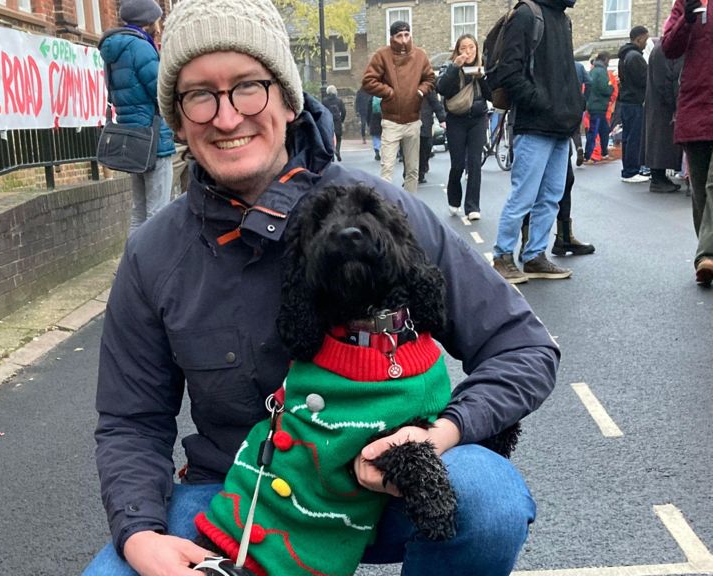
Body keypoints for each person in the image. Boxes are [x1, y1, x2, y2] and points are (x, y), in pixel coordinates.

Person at [85, 0, 559, 574]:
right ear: (178, 118)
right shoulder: (153, 252)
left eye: (248, 87)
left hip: (383, 493)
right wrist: (139, 537)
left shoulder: (382, 212)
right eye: (199, 95)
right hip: (234, 490)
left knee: (487, 500)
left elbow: (524, 347)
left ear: (287, 98)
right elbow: (131, 420)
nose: (227, 117)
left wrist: (442, 433)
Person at [489, 0, 583, 285]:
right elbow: (509, 72)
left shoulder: (563, 20)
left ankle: (534, 256)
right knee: (524, 196)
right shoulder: (527, 15)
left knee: (551, 197)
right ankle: (502, 256)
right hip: (534, 123)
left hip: (560, 124)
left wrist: (571, 107)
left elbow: (566, 74)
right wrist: (542, 102)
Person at [98, 0, 175, 235]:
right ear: (148, 21)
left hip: (134, 138)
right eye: (157, 19)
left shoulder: (115, 49)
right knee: (158, 212)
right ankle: (153, 270)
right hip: (154, 138)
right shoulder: (140, 47)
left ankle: (131, 267)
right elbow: (160, 91)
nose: (159, 24)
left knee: (139, 212)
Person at [663, 0, 713, 286]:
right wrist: (687, 20)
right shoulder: (685, 3)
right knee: (699, 192)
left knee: (712, 184)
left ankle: (706, 255)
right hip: (695, 105)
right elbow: (669, 47)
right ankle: (707, 257)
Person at [362, 21, 435, 193]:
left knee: (413, 170)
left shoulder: (420, 55)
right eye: (399, 35)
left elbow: (430, 79)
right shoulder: (382, 55)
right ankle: (385, 211)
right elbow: (368, 81)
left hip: (413, 119)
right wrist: (388, 92)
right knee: (387, 168)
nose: (403, 39)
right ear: (392, 37)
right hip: (391, 121)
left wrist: (420, 92)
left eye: (406, 35)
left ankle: (411, 209)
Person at [436, 34, 489, 220]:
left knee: (475, 163)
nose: (468, 52)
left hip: (477, 118)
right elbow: (441, 88)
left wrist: (481, 77)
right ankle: (454, 198)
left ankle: (473, 206)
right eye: (463, 48)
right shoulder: (449, 65)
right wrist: (454, 67)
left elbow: (491, 94)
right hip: (456, 120)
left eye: (471, 48)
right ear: (457, 50)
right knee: (457, 164)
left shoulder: (483, 65)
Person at [644, 37, 683, 194]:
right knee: (660, 141)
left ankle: (659, 177)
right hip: (662, 106)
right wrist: (674, 102)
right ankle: (658, 179)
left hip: (659, 104)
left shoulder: (661, 47)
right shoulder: (664, 49)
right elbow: (666, 79)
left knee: (659, 141)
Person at [617, 25, 650, 183]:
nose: (646, 42)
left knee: (627, 137)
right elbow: (645, 80)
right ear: (639, 38)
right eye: (646, 39)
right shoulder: (635, 57)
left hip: (626, 101)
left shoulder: (624, 56)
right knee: (634, 137)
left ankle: (628, 170)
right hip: (635, 101)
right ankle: (631, 171)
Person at [584, 52, 614, 162]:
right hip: (599, 106)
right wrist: (611, 88)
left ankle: (603, 153)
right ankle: (588, 155)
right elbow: (605, 88)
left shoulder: (592, 71)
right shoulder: (602, 72)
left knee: (603, 130)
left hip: (593, 105)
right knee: (595, 130)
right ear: (605, 59)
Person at [418, 89, 445, 184]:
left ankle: (421, 170)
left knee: (426, 146)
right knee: (408, 148)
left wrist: (442, 118)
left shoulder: (427, 84)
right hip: (409, 121)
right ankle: (409, 173)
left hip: (425, 121)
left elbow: (435, 102)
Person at [322, 84, 346, 161]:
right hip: (337, 121)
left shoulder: (325, 101)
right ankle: (337, 151)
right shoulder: (339, 100)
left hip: (328, 121)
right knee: (338, 138)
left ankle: (332, 154)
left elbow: (322, 111)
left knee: (330, 138)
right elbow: (344, 111)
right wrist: (341, 119)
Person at [370, 93, 383, 160]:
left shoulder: (372, 97)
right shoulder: (386, 94)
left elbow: (368, 110)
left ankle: (377, 150)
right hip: (384, 117)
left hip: (374, 118)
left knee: (376, 136)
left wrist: (368, 121)